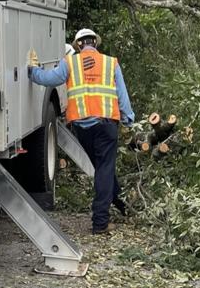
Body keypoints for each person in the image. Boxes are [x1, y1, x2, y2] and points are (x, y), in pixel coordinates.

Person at [28, 28, 134, 234]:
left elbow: (49, 79)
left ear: (78, 45)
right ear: (95, 43)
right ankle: (100, 222)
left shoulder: (70, 63)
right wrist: (128, 119)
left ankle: (119, 202)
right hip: (106, 125)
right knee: (104, 169)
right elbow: (122, 94)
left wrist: (32, 71)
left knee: (102, 167)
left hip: (83, 128)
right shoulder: (111, 63)